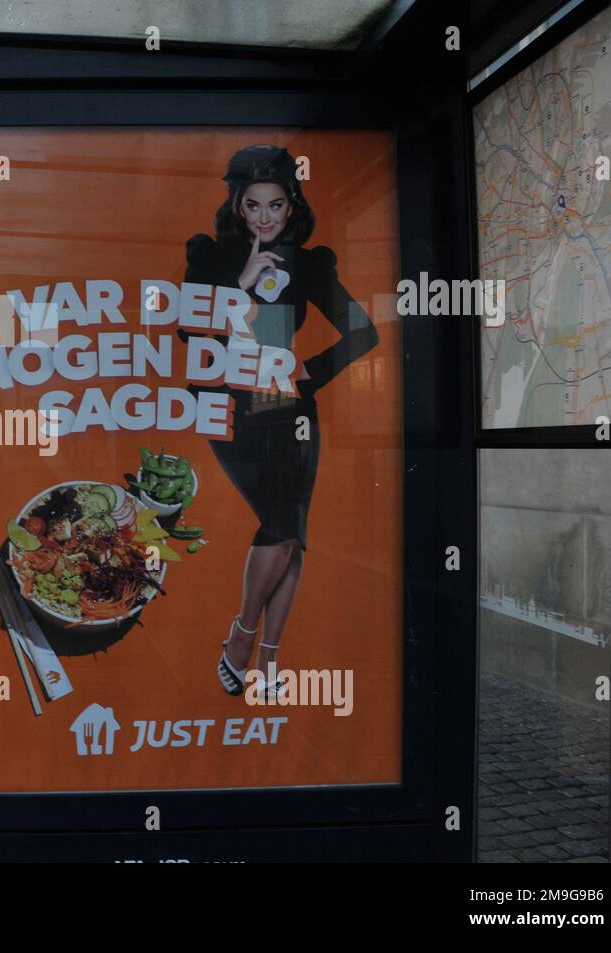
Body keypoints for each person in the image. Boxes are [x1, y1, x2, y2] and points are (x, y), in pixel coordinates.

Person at [180, 144, 378, 699]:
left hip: (289, 413)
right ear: (237, 208)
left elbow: (364, 332)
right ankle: (244, 635)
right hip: (226, 406)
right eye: (253, 206)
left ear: (291, 207)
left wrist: (305, 374)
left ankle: (269, 653)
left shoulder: (309, 264)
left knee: (293, 537)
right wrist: (238, 284)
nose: (265, 217)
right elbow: (190, 336)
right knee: (281, 528)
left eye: (276, 205)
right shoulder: (211, 259)